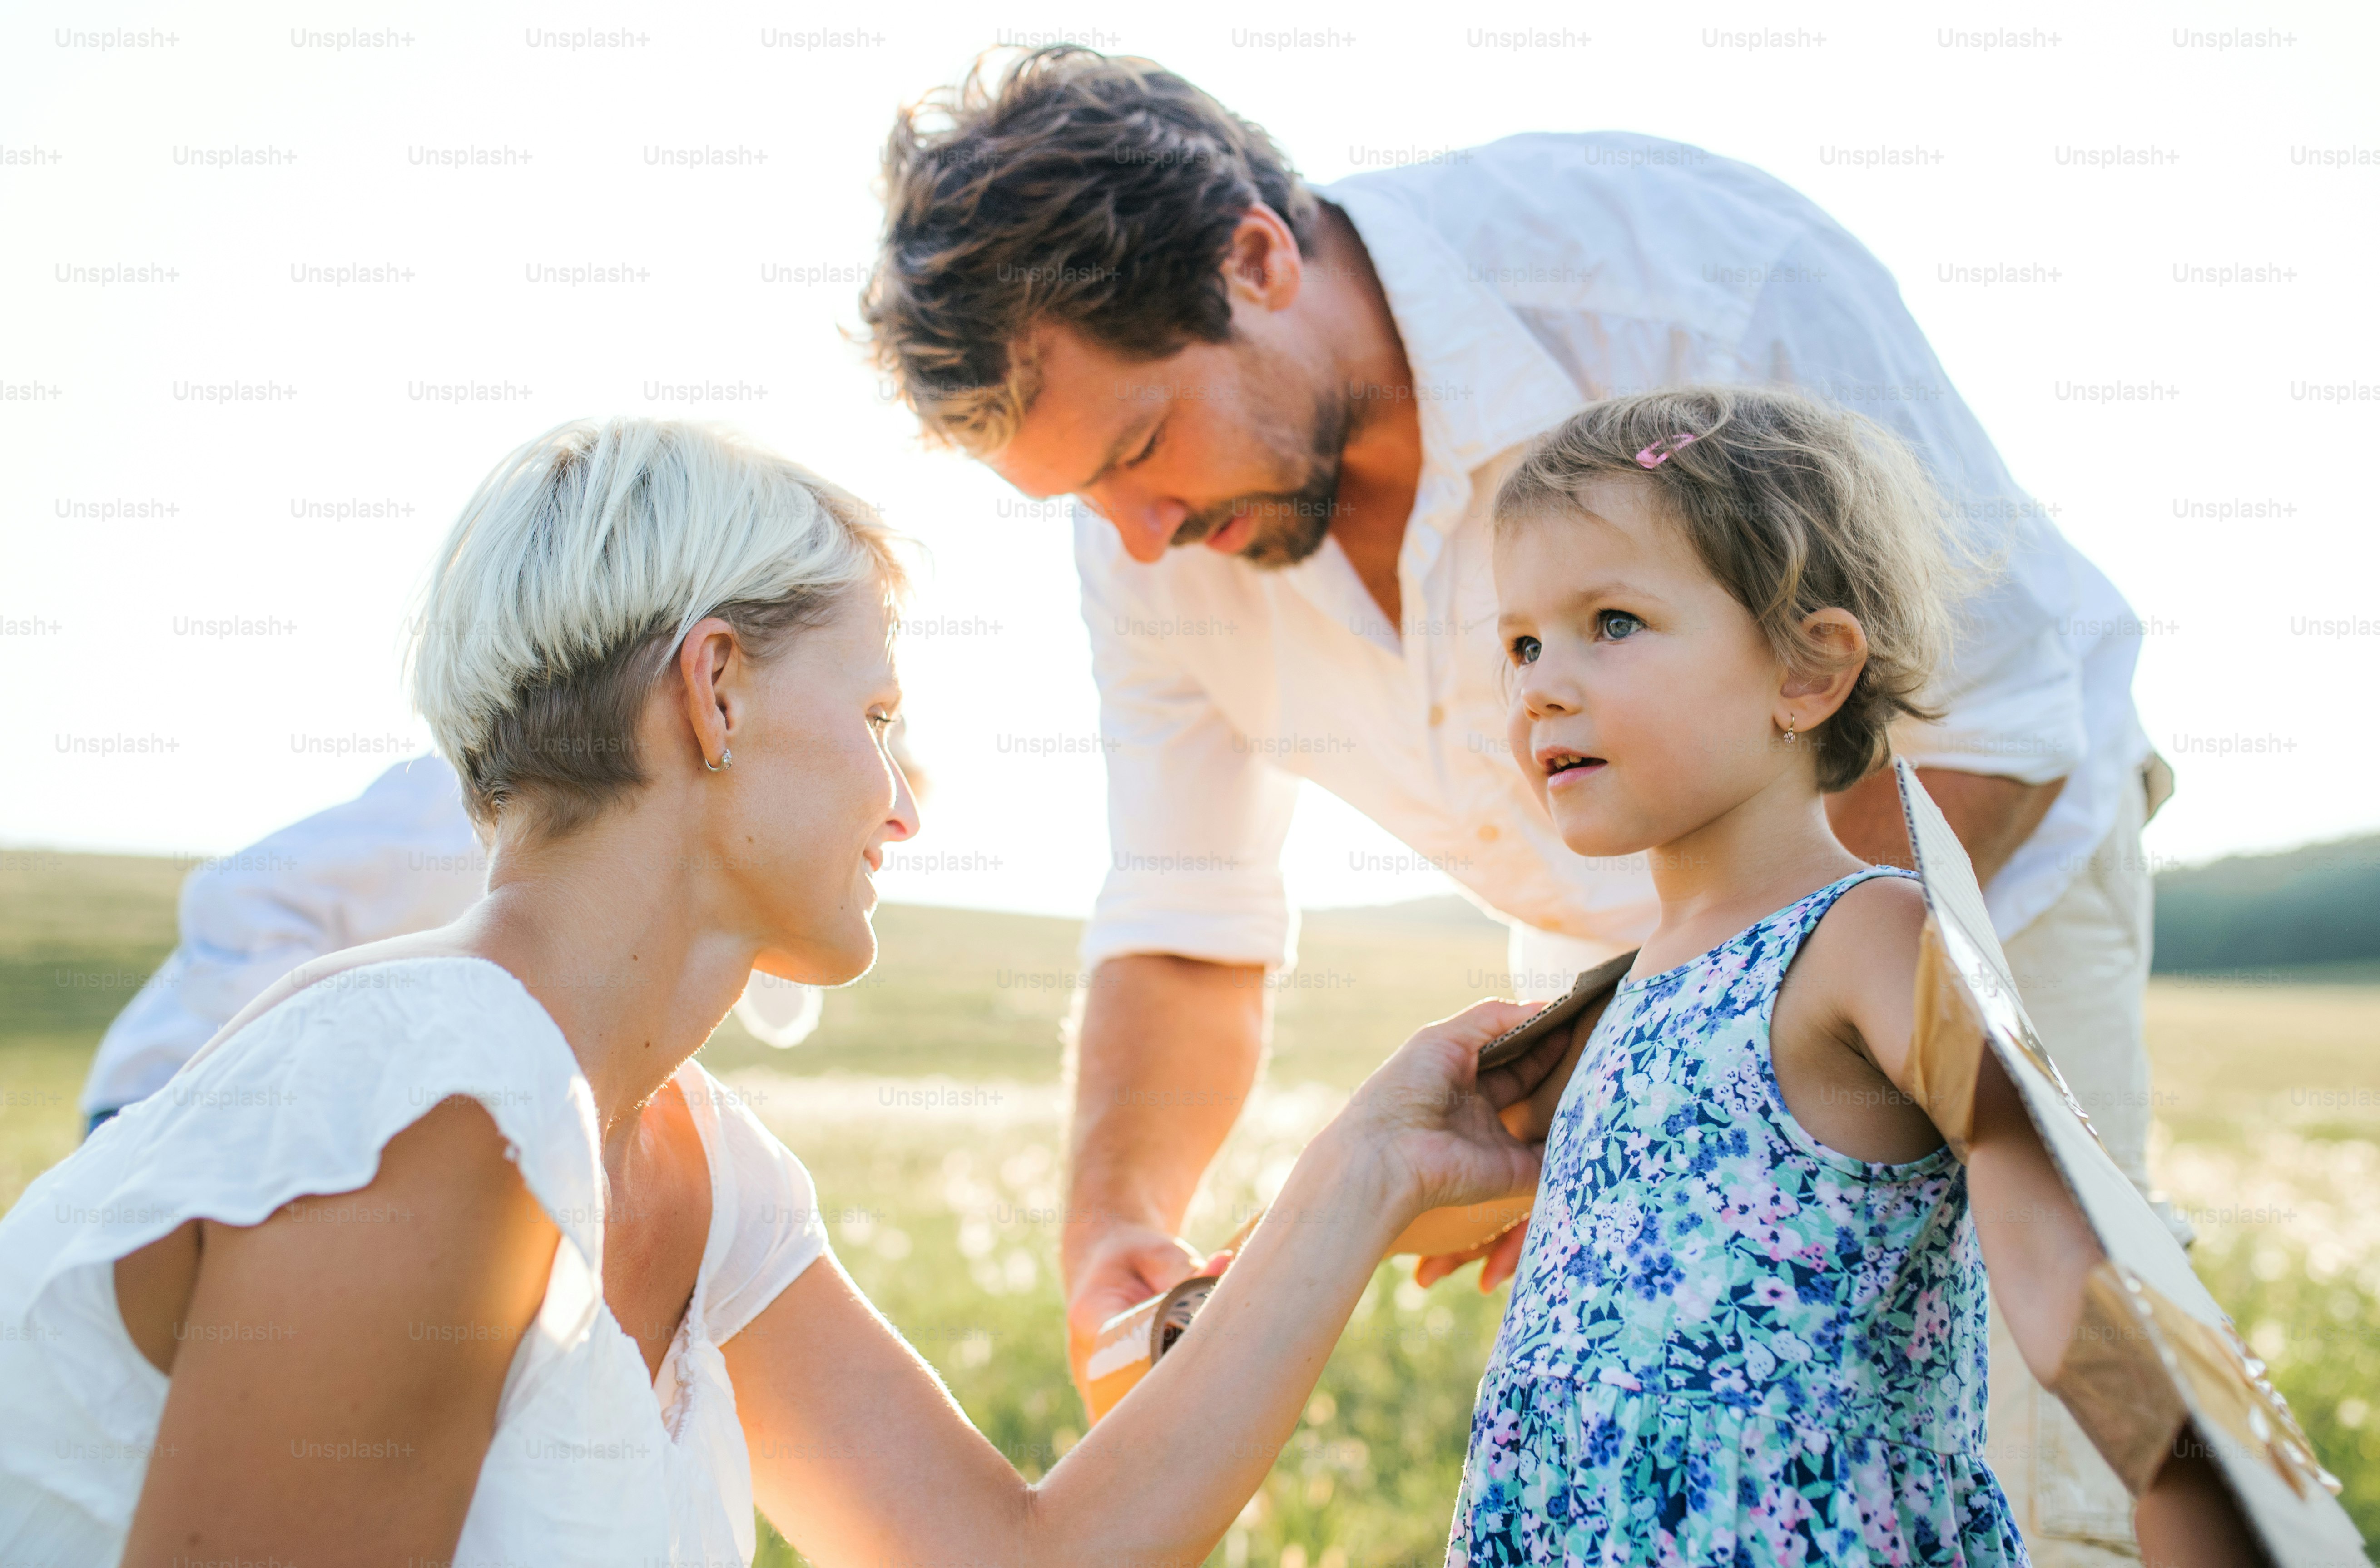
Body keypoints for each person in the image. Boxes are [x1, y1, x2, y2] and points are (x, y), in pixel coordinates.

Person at [862, 48, 2167, 1559]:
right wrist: (1112, 1237)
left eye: (1143, 448)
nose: (1140, 539)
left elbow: (1994, 727)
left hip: (1969, 868)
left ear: (1258, 257)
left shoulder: (1696, 279)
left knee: (2051, 1479)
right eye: (1085, 496)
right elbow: (1185, 911)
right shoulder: (1151, 548)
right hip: (1612, 988)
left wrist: (1675, 1045)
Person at [0, 417, 1564, 1568]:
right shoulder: (433, 1086)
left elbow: (1022, 1559)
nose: (907, 801)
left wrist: (1366, 1179)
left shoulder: (694, 1159)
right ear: (718, 688)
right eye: (881, 711)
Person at [1451, 386, 2253, 1566]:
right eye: (1520, 643)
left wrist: (2207, 1510)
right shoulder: (1622, 995)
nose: (1542, 687)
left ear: (1806, 672)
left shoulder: (1871, 939)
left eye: (1612, 622)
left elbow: (2056, 1247)